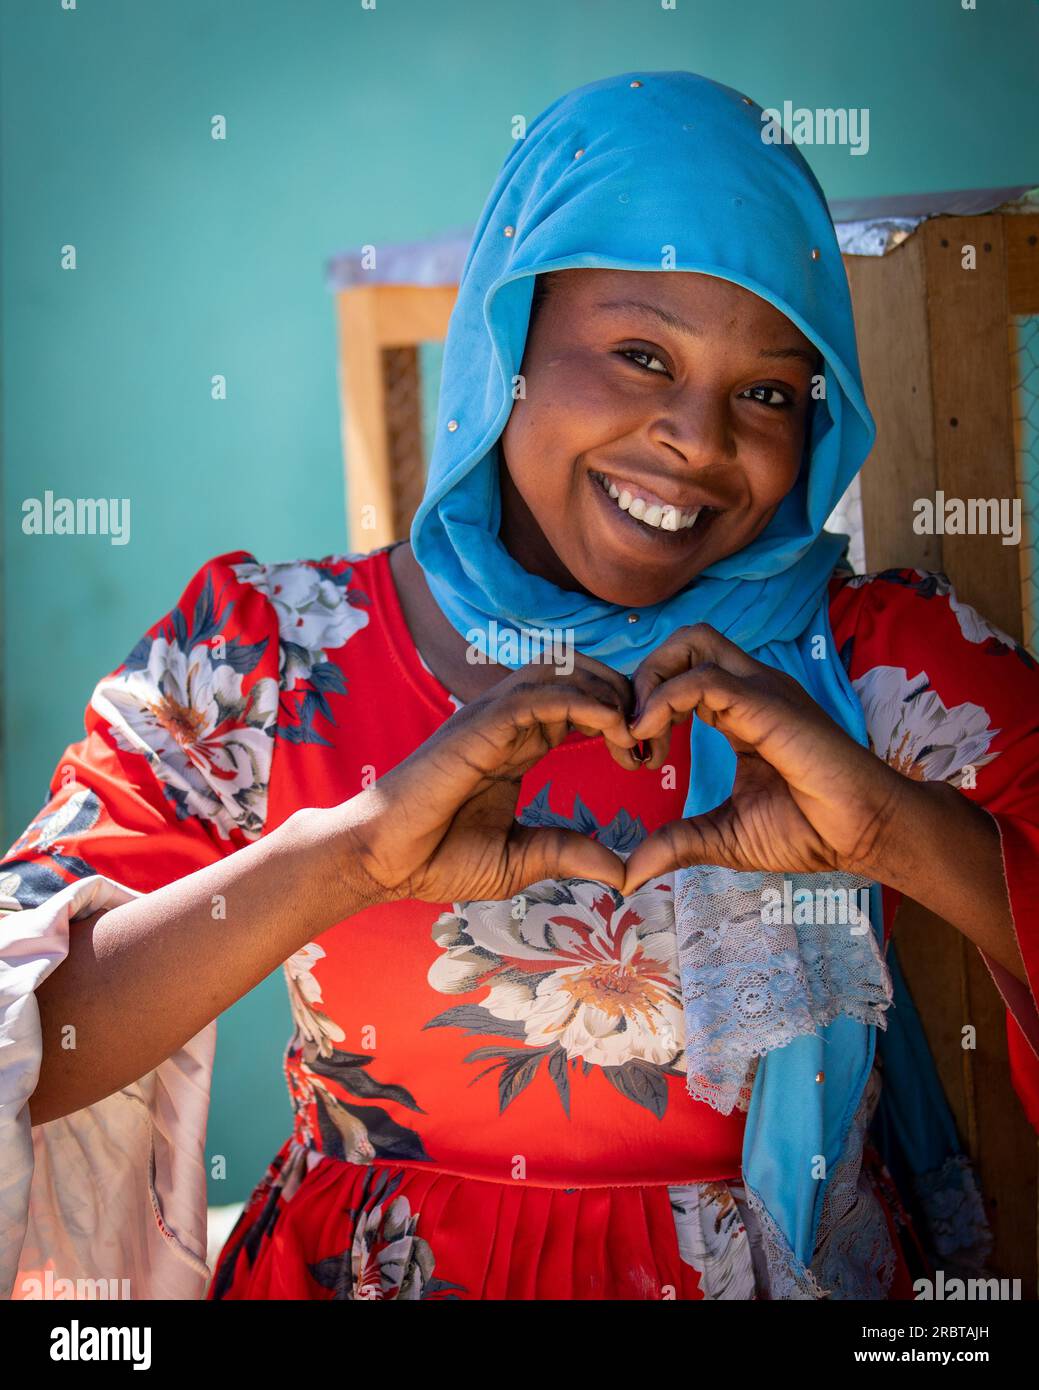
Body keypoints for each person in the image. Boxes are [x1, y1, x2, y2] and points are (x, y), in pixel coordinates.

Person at [2, 70, 1037, 1303]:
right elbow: (34, 1041)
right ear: (508, 347)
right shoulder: (267, 657)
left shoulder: (873, 664)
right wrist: (350, 856)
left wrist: (892, 831)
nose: (699, 440)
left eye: (766, 390)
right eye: (640, 353)